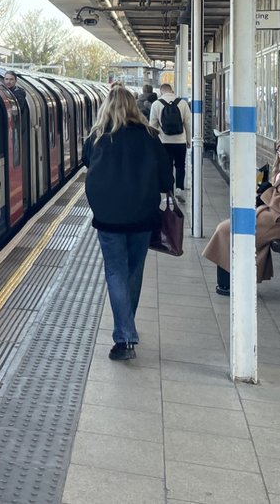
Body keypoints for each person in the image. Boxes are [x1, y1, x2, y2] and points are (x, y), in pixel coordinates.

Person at [81, 86, 173, 361]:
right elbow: (166, 178)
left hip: (108, 218)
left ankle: (125, 336)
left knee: (115, 273)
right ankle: (126, 332)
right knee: (134, 272)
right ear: (134, 106)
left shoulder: (96, 138)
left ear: (106, 108)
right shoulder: (150, 137)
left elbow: (88, 166)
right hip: (142, 217)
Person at [202, 138, 280, 296]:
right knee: (227, 229)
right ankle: (230, 283)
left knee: (231, 233)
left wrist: (268, 193)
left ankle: (230, 284)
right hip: (274, 218)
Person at [149, 83, 192, 202]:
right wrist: (188, 139)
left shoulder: (156, 104)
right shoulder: (182, 103)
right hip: (180, 141)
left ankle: (169, 194)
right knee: (180, 165)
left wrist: (154, 144)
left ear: (161, 92)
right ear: (172, 91)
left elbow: (152, 126)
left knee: (166, 168)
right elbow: (188, 123)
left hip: (164, 142)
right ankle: (179, 189)